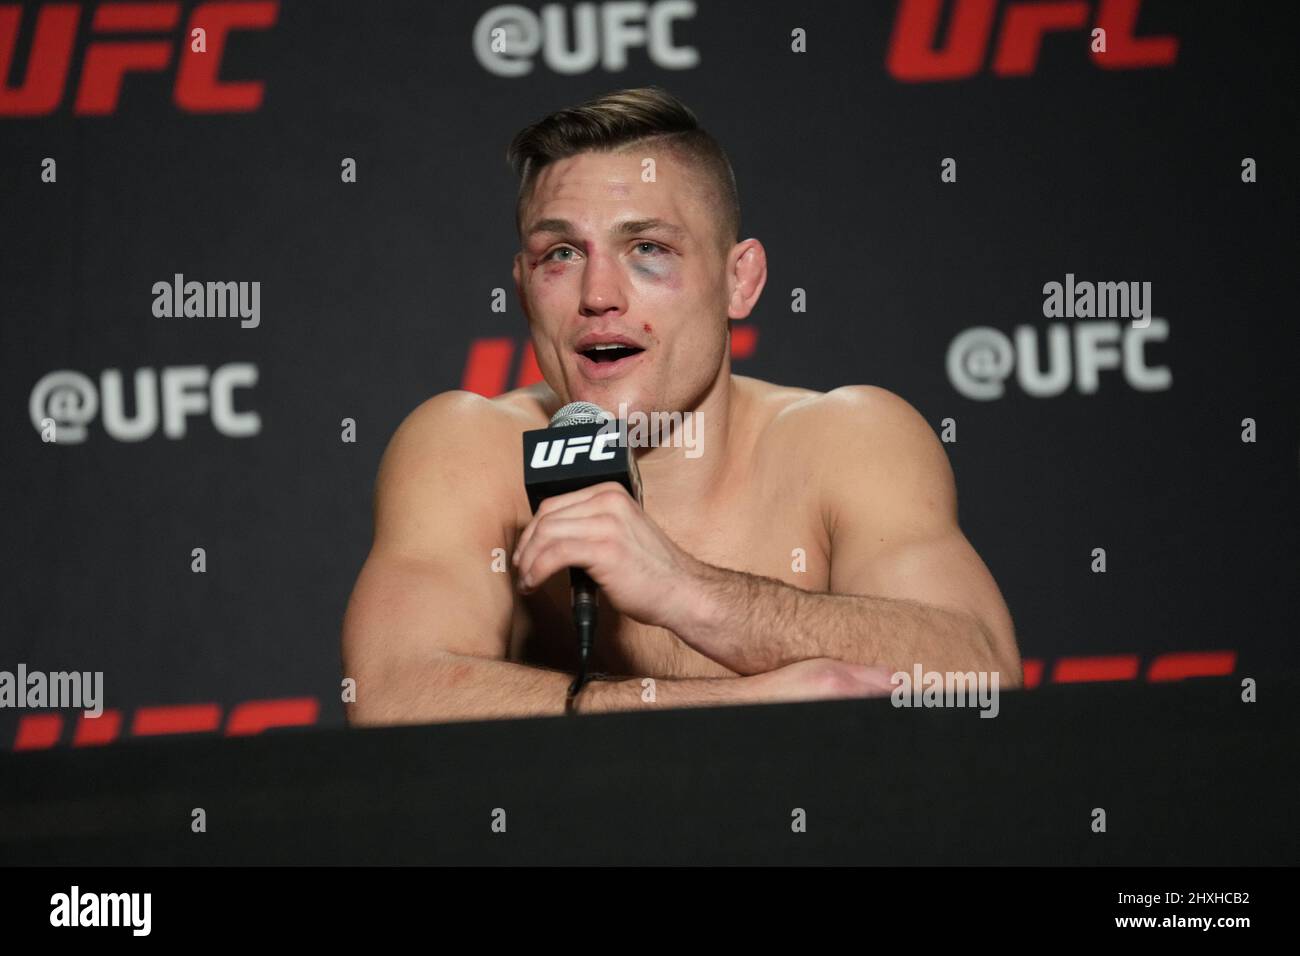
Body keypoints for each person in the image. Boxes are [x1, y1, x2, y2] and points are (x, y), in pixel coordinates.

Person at [342, 86, 1020, 724]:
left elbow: (981, 673)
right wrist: (742, 706)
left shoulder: (847, 438)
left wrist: (685, 591)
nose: (599, 294)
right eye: (562, 253)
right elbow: (391, 694)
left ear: (739, 280)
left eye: (648, 249)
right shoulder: (467, 445)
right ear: (523, 289)